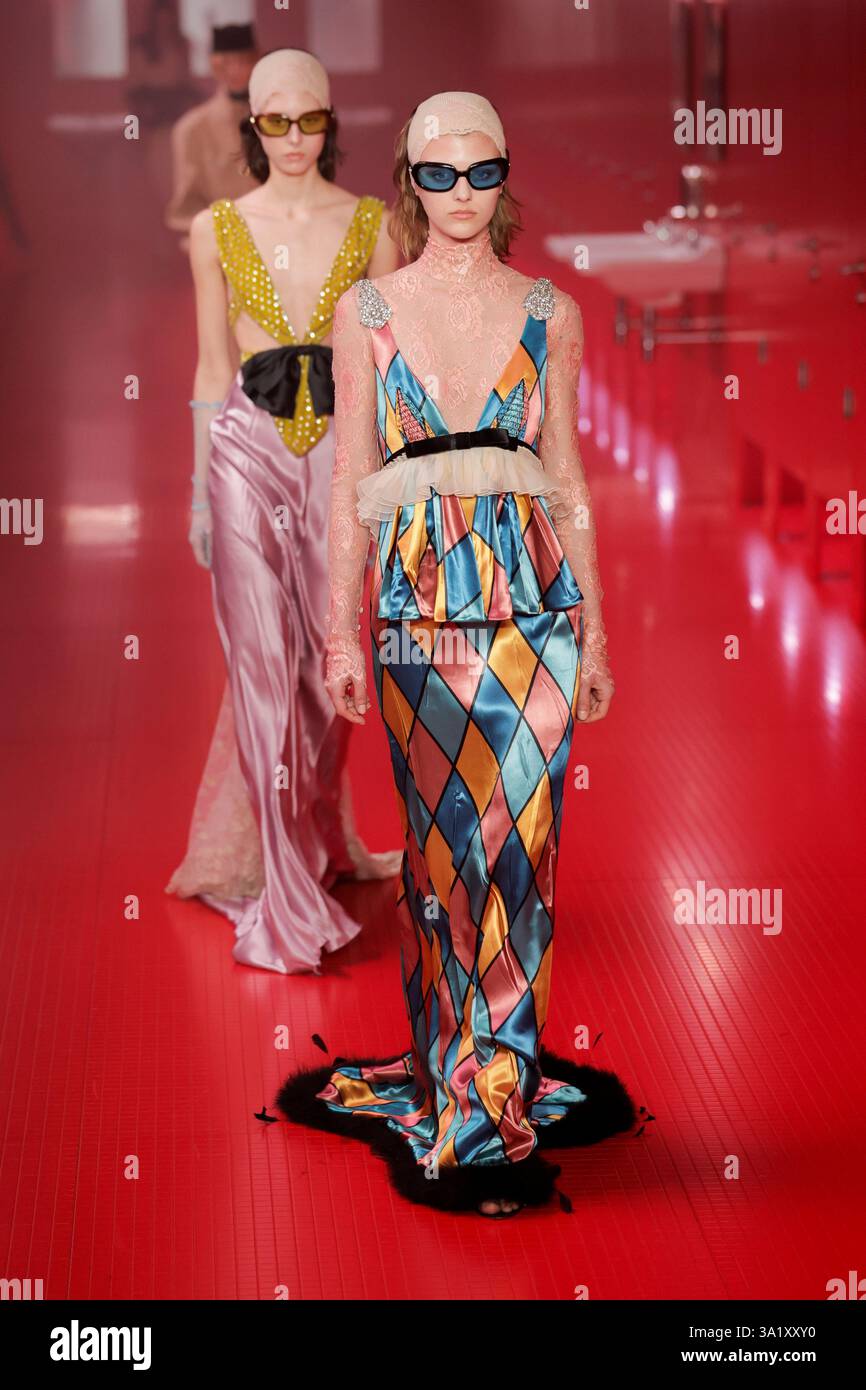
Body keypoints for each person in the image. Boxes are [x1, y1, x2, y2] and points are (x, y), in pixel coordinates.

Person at [277, 92, 636, 1215]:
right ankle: (453, 1070)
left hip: (530, 611)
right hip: (415, 620)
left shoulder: (551, 310)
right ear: (408, 183)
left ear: (504, 179)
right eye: (438, 175)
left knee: (522, 856)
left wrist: (594, 628)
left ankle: (492, 1102)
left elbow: (569, 479)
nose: (462, 194)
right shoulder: (366, 309)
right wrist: (337, 629)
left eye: (481, 173)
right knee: (440, 868)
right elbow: (347, 484)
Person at [166, 49, 402, 974]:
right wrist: (195, 491)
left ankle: (309, 842)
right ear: (252, 127)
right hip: (244, 453)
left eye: (310, 120)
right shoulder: (215, 229)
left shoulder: (374, 226)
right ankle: (286, 904)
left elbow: (388, 368)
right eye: (277, 122)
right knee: (262, 665)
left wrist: (390, 479)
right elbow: (209, 369)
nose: (295, 138)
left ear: (330, 121)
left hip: (343, 461)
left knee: (331, 666)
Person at [164, 23, 258, 242]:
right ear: (214, 66)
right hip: (220, 246)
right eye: (226, 63)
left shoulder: (278, 120)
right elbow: (186, 207)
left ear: (255, 63)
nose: (235, 70)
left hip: (279, 243)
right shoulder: (192, 130)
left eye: (243, 61)